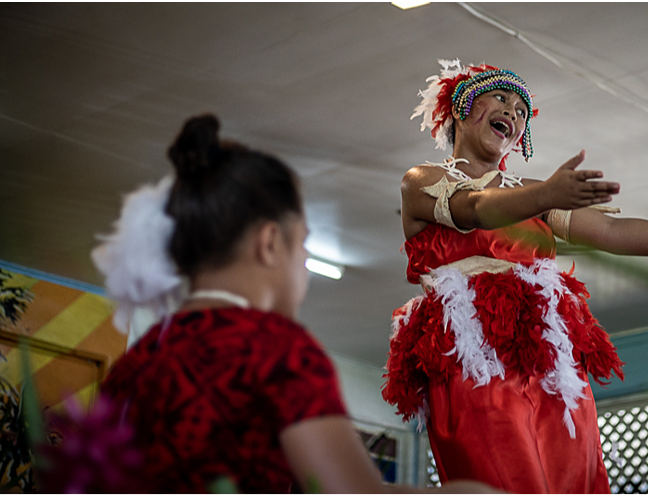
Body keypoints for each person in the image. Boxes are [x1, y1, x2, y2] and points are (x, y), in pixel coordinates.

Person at [382, 60, 648, 496]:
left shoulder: (535, 194)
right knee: (506, 480)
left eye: (522, 111)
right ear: (463, 106)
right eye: (502, 99)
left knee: (572, 481)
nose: (514, 114)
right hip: (473, 356)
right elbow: (474, 209)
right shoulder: (423, 181)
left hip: (548, 360)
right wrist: (545, 195)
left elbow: (612, 231)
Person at [93, 114, 497, 496]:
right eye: (301, 243)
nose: (302, 266)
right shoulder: (276, 359)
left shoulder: (136, 367)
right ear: (269, 243)